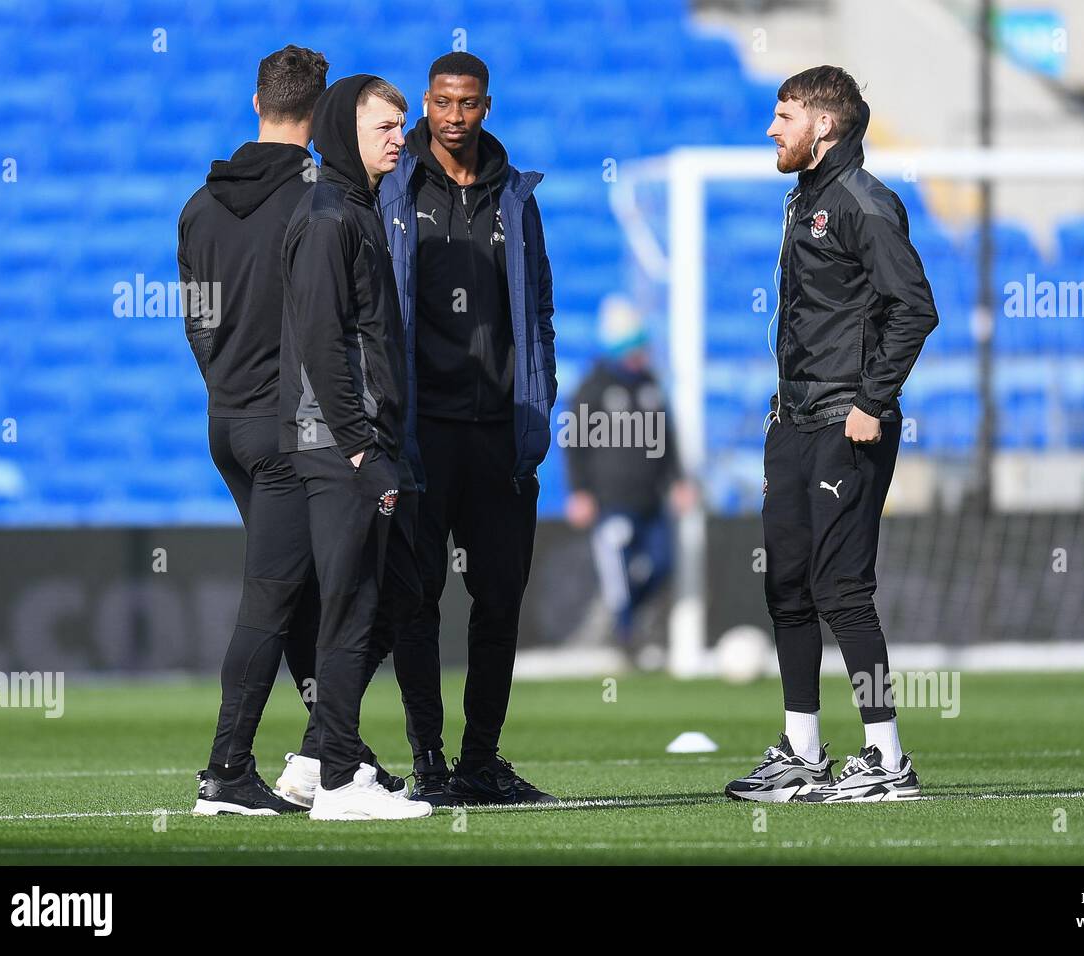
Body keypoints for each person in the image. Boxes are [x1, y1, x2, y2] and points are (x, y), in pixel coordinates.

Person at [725, 66, 937, 804]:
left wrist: (872, 401)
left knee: (842, 587)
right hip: (794, 420)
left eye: (783, 115)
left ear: (825, 125)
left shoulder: (864, 203)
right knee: (786, 585)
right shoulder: (803, 199)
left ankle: (887, 758)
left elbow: (914, 308)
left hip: (850, 421)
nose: (771, 129)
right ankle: (802, 751)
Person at [379, 52, 558, 805]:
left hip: (497, 431)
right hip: (422, 431)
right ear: (428, 102)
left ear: (488, 105)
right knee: (415, 602)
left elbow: (539, 310)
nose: (455, 117)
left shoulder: (516, 196)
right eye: (444, 103)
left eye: (470, 103)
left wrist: (538, 403)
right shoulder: (393, 187)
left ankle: (481, 762)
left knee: (499, 600)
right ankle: (428, 761)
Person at [179, 45, 329, 816]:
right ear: (321, 108)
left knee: (294, 589)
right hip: (289, 431)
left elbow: (197, 322)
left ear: (255, 102)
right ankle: (227, 772)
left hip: (228, 423)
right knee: (277, 597)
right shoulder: (317, 197)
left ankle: (328, 754)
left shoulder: (200, 206)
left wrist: (229, 390)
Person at [279, 73, 430, 821]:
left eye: (404, 125)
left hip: (364, 441)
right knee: (353, 607)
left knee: (396, 596)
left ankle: (316, 757)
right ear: (345, 129)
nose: (402, 138)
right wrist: (363, 450)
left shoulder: (359, 210)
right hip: (346, 447)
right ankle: (340, 779)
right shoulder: (331, 217)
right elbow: (321, 346)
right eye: (386, 127)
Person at [564, 295, 694, 659]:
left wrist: (679, 480)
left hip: (651, 499)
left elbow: (666, 437)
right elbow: (575, 441)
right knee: (617, 565)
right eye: (635, 348)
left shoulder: (649, 385)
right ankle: (625, 634)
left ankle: (630, 622)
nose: (643, 355)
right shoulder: (594, 387)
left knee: (663, 561)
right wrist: (580, 492)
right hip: (611, 501)